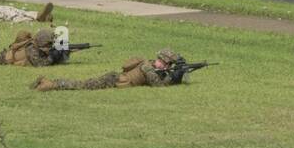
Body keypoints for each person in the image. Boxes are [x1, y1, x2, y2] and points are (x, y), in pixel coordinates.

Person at [31, 48, 189, 91]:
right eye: (165, 64)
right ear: (160, 60)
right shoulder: (148, 67)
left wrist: (174, 74)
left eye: (168, 65)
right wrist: (175, 77)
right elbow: (158, 85)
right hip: (114, 80)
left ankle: (49, 83)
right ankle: (49, 84)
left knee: (83, 84)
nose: (166, 67)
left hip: (115, 79)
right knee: (82, 85)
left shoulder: (151, 66)